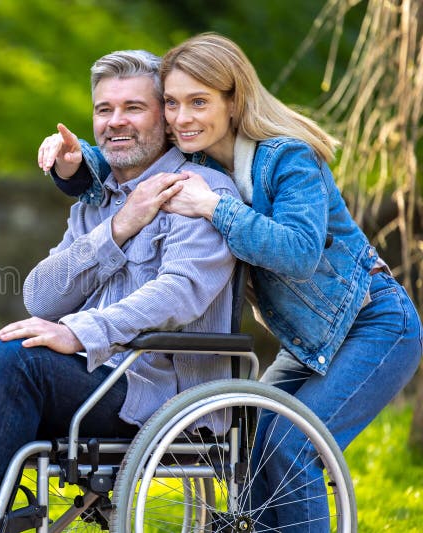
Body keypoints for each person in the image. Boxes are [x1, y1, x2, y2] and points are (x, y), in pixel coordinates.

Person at [40, 32, 423, 533]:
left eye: (198, 102)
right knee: (253, 449)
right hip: (309, 338)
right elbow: (127, 160)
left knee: (291, 446)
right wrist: (72, 166)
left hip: (375, 323)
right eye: (173, 103)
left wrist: (214, 208)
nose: (181, 118)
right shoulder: (197, 160)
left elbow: (298, 253)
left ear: (233, 100)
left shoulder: (290, 160)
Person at [0, 49, 242, 532]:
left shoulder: (199, 190)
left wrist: (81, 331)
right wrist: (120, 227)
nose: (115, 122)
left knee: (17, 360)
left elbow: (181, 293)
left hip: (157, 394)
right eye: (103, 110)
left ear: (166, 119)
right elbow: (41, 298)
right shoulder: (94, 201)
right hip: (89, 379)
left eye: (133, 108)